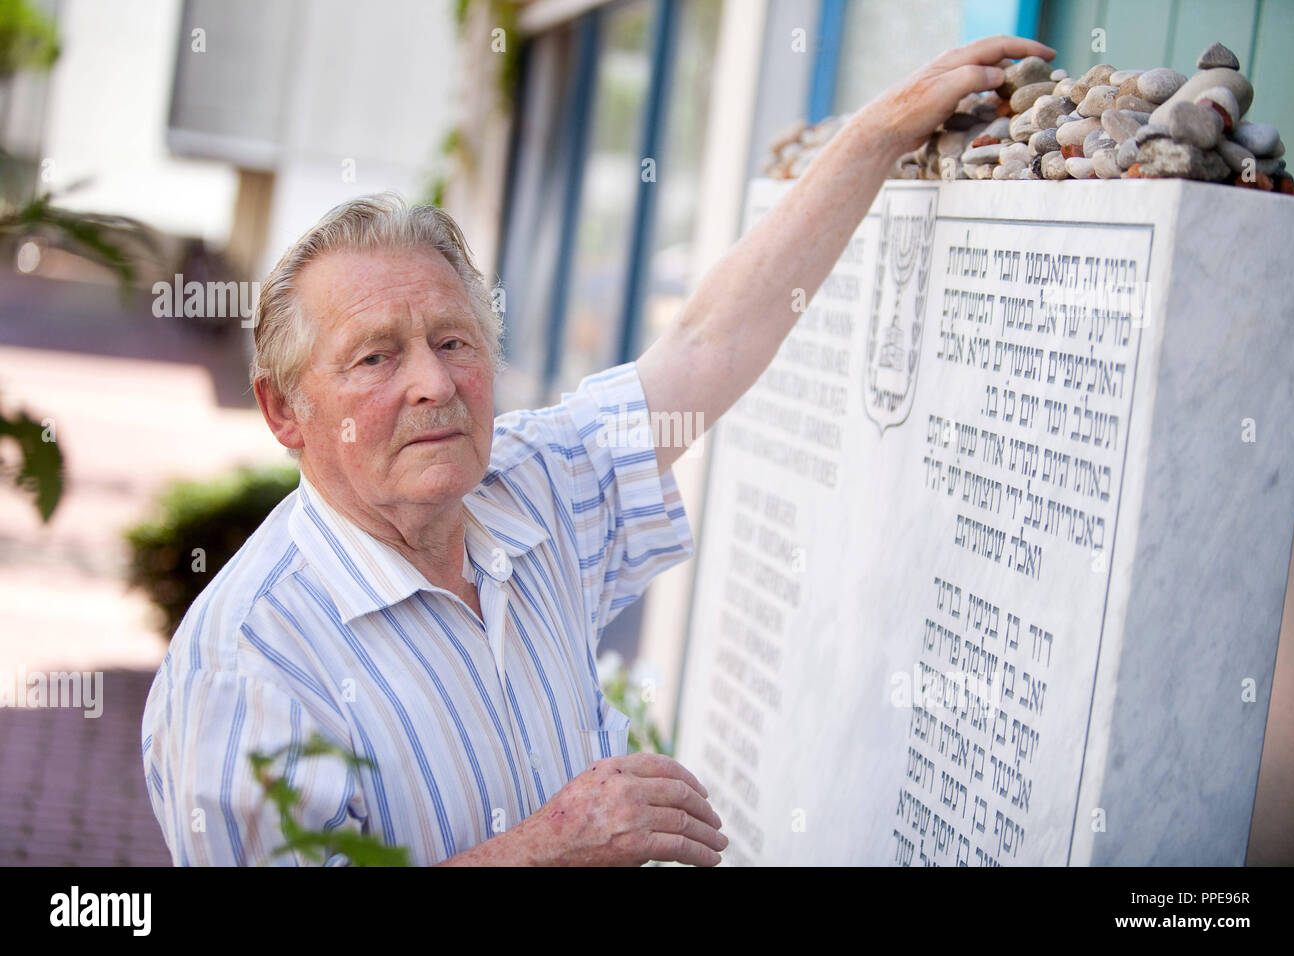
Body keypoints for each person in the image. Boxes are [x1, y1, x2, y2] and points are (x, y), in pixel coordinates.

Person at [141, 35, 1056, 866]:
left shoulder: (528, 485)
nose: (434, 383)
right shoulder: (246, 667)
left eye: (455, 342)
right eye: (376, 357)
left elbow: (705, 346)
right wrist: (550, 849)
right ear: (283, 410)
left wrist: (877, 135)